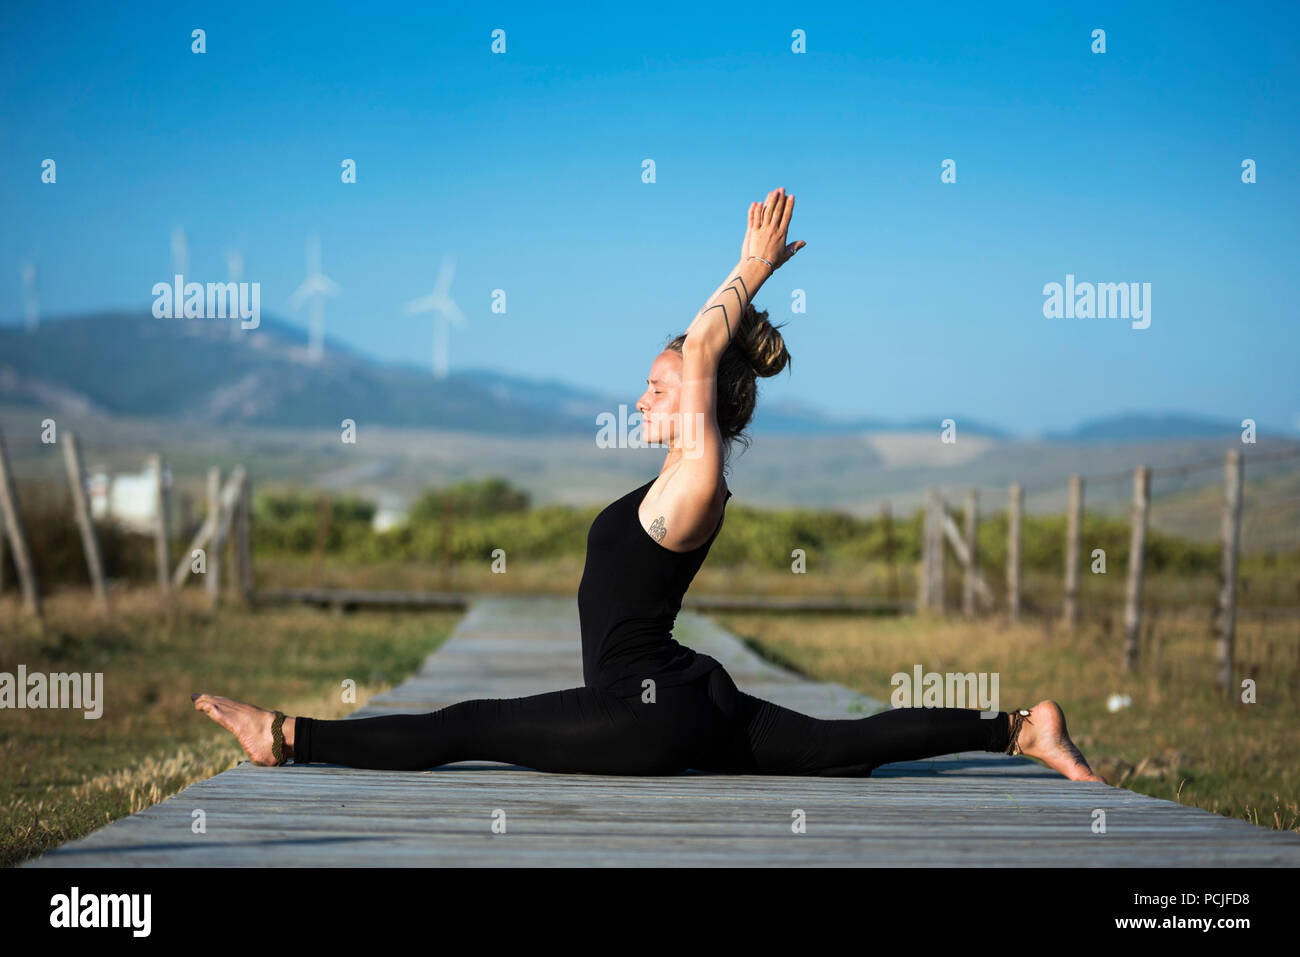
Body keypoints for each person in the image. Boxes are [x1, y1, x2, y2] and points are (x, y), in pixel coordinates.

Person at [195, 188, 1105, 785]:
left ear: (704, 402)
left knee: (468, 722)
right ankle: (1020, 728)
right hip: (682, 699)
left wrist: (749, 268)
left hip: (649, 710)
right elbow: (698, 353)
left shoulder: (701, 476)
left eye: (660, 386)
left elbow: (705, 348)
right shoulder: (672, 477)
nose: (643, 395)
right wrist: (725, 307)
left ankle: (286, 737)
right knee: (839, 747)